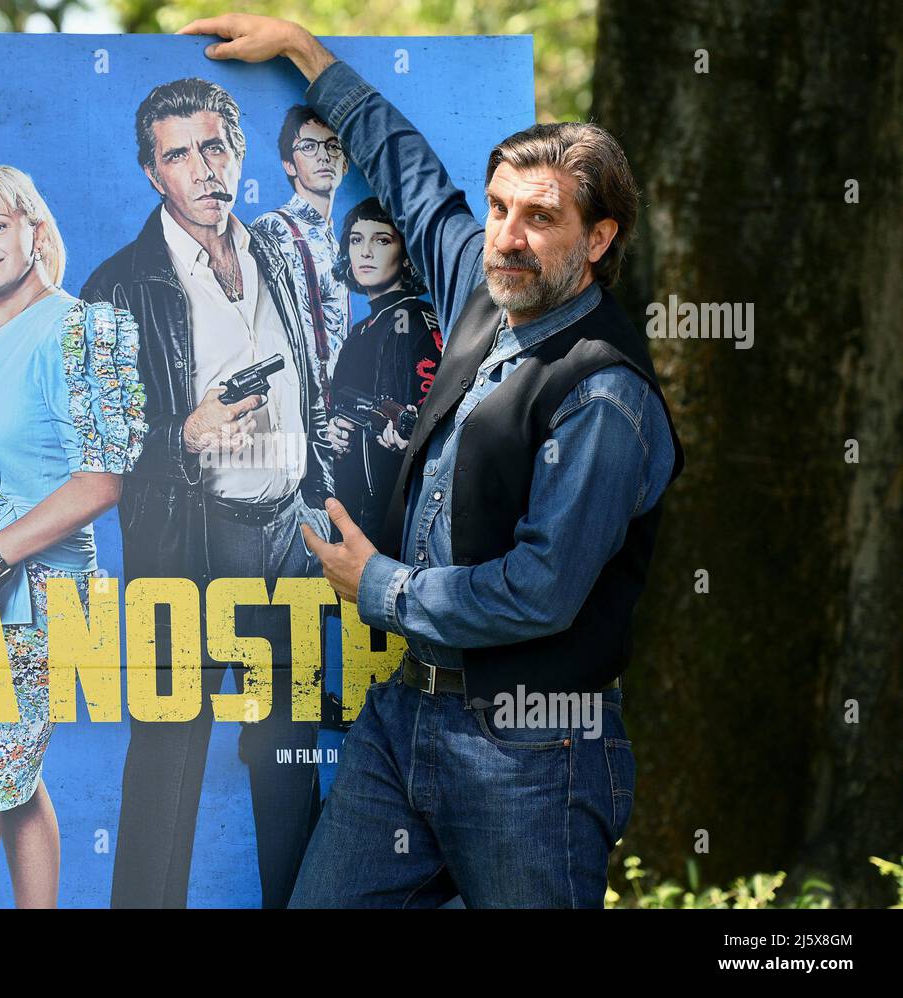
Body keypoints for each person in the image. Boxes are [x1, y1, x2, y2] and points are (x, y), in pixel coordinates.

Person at [181, 14, 685, 908]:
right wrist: (305, 51)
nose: (507, 236)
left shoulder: (604, 395)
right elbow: (411, 179)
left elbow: (540, 588)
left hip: (533, 751)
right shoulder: (487, 294)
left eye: (541, 218)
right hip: (403, 715)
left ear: (598, 240)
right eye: (499, 210)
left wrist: (379, 585)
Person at [80, 76, 334, 909]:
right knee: (168, 757)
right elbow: (93, 445)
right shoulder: (117, 285)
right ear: (153, 173)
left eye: (215, 146)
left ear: (239, 152)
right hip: (186, 544)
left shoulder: (278, 260)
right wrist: (185, 437)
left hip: (290, 540)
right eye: (178, 154)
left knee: (288, 758)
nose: (202, 168)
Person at [0, 163, 145, 907]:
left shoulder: (78, 329)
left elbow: (102, 481)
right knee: (4, 777)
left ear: (34, 229)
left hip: (34, 593)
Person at [327, 196, 442, 538]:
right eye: (356, 239)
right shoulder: (359, 331)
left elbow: (435, 419)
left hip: (397, 521)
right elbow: (336, 413)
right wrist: (334, 433)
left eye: (382, 240)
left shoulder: (419, 321)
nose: (365, 252)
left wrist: (411, 438)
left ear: (405, 255)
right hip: (350, 513)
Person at [250, 105, 351, 401]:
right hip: (300, 405)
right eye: (308, 146)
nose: (324, 155)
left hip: (335, 408)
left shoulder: (338, 242)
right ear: (289, 164)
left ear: (345, 163)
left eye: (334, 146)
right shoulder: (275, 228)